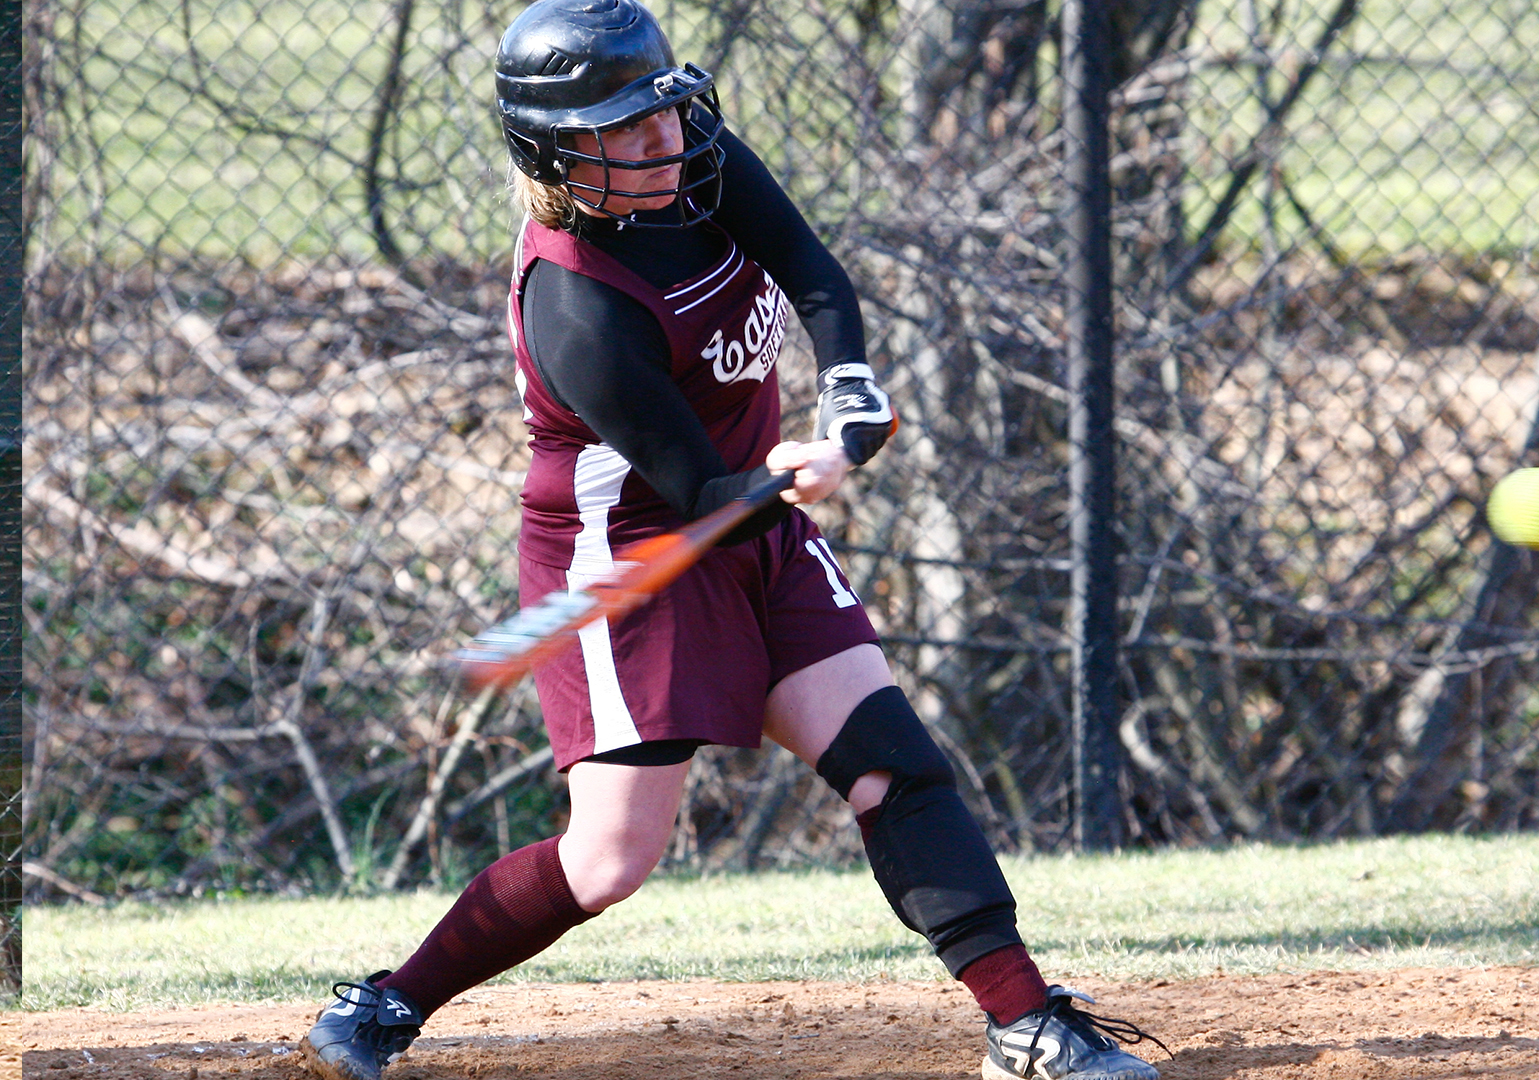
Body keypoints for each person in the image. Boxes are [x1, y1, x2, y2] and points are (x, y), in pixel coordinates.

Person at [300, 3, 1164, 1080]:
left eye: (660, 109)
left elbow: (810, 269)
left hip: (759, 525)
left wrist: (846, 393)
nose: (659, 139)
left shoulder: (690, 163)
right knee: (609, 861)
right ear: (556, 152)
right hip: (634, 557)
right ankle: (385, 1006)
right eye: (621, 128)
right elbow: (696, 489)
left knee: (893, 769)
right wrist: (789, 472)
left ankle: (1025, 1024)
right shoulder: (576, 306)